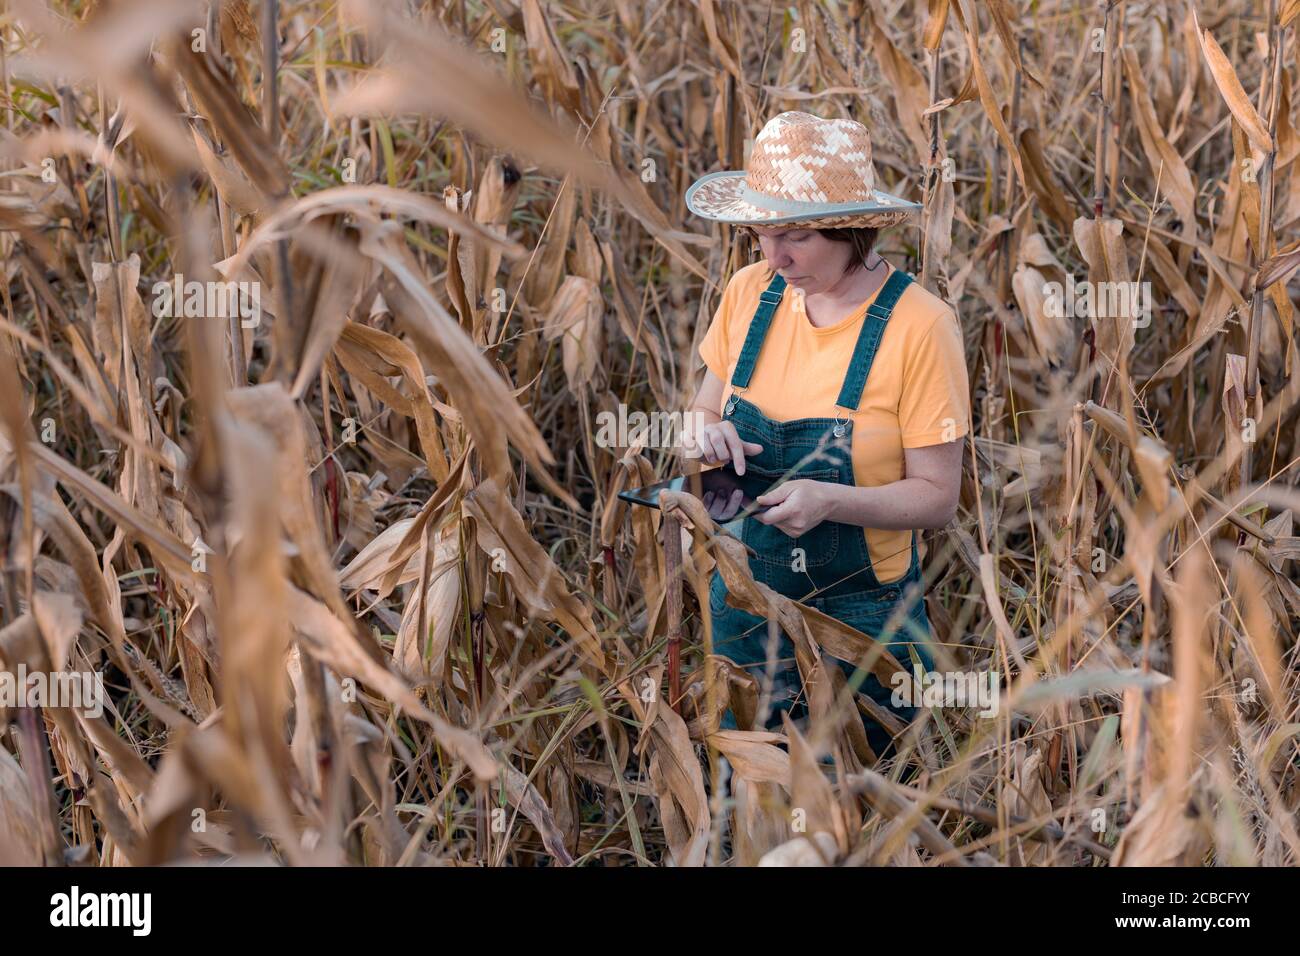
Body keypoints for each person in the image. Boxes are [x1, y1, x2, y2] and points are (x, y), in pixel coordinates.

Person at [682, 110, 970, 760]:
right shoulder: (750, 293)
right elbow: (700, 412)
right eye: (760, 234)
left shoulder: (920, 326)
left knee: (873, 795)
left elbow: (936, 498)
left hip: (865, 616)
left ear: (854, 230)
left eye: (797, 236)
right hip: (745, 596)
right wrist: (710, 437)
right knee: (751, 792)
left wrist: (830, 501)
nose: (773, 256)